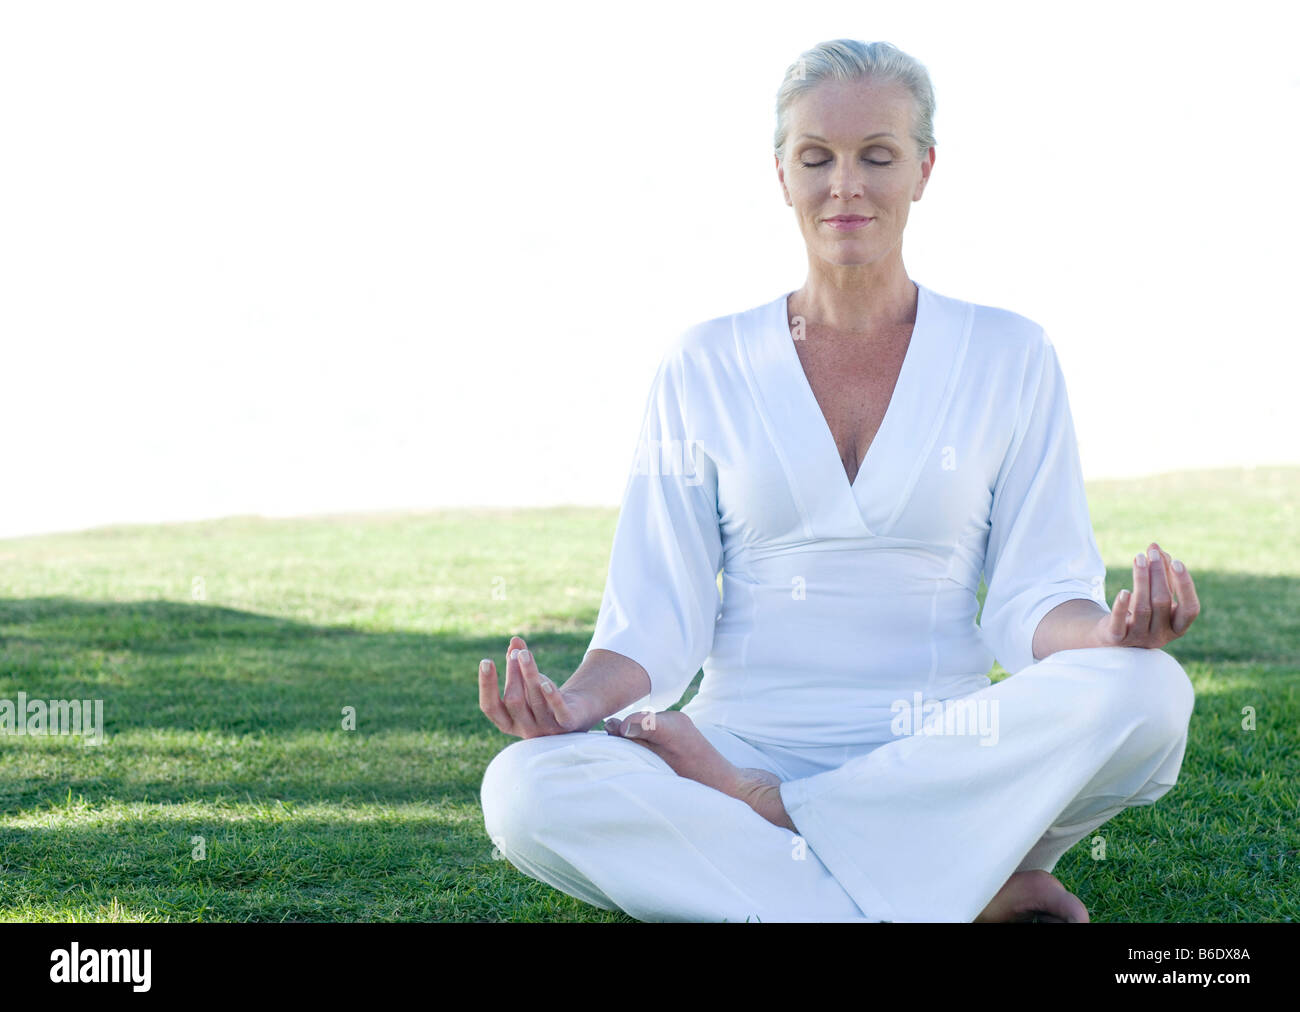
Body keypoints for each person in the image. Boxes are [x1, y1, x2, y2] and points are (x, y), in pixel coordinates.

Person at [476, 38, 1201, 923]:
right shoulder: (704, 363)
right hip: (738, 739)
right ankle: (964, 883)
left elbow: (1035, 596)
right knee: (525, 788)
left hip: (944, 755)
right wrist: (572, 704)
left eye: (877, 156)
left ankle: (784, 825)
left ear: (924, 168)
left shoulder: (1011, 353)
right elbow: (655, 615)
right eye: (816, 158)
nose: (845, 186)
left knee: (1150, 692)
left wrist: (1110, 631)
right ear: (781, 173)